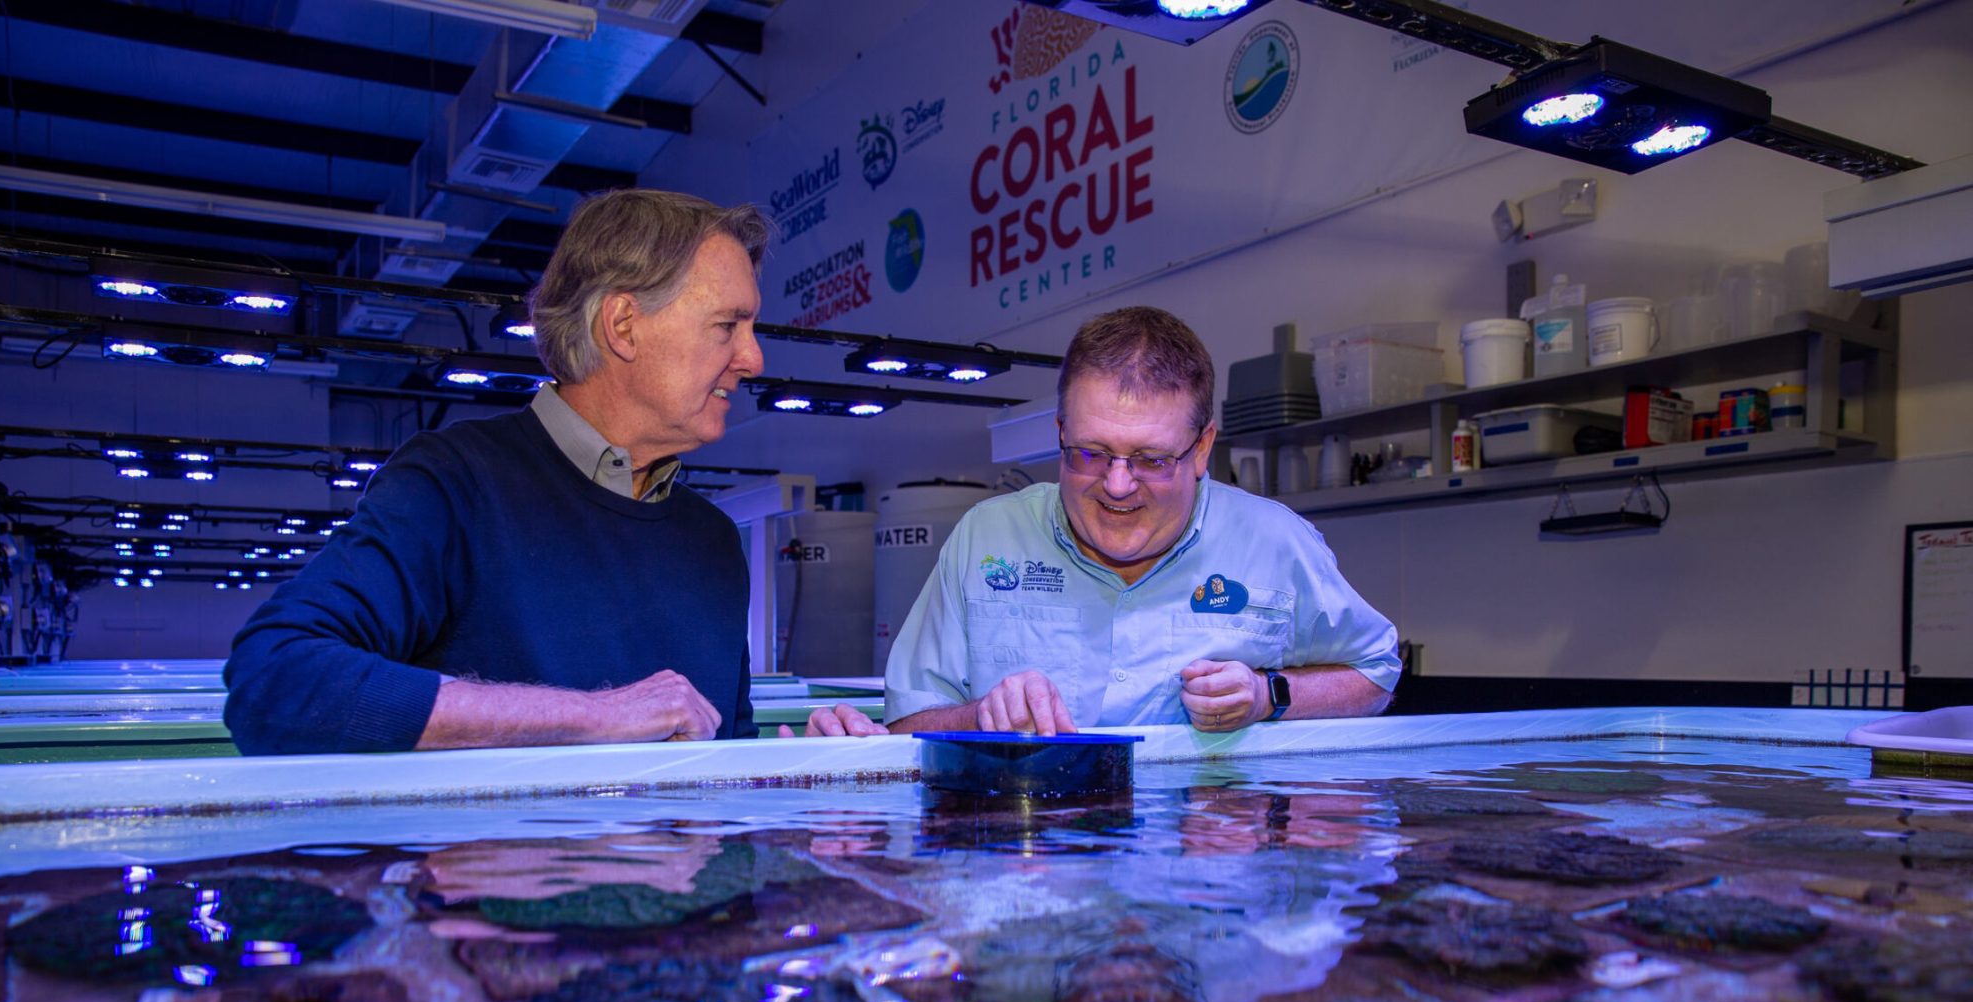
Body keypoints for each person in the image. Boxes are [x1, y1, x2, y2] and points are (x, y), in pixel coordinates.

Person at [224, 189, 877, 754]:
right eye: (727, 325)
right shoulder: (454, 486)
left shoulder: (710, 540)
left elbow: (713, 768)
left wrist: (794, 781)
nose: (753, 358)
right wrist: (593, 716)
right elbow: (275, 679)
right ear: (623, 325)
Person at [884, 306, 1397, 736]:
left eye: (1152, 459)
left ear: (1202, 449)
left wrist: (1269, 694)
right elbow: (905, 725)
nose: (1118, 485)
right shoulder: (985, 538)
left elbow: (1376, 673)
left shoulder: (1276, 542)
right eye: (1090, 453)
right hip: (1030, 851)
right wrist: (981, 717)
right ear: (1060, 432)